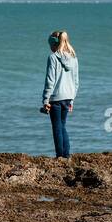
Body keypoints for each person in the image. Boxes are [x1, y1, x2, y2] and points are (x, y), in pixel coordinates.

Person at [39, 30, 78, 158]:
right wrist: (72, 100)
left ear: (54, 43)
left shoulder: (53, 57)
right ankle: (66, 155)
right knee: (62, 126)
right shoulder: (73, 58)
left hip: (55, 98)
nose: (49, 47)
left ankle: (60, 156)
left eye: (50, 44)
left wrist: (45, 100)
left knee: (57, 127)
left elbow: (50, 80)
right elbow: (76, 81)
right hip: (68, 97)